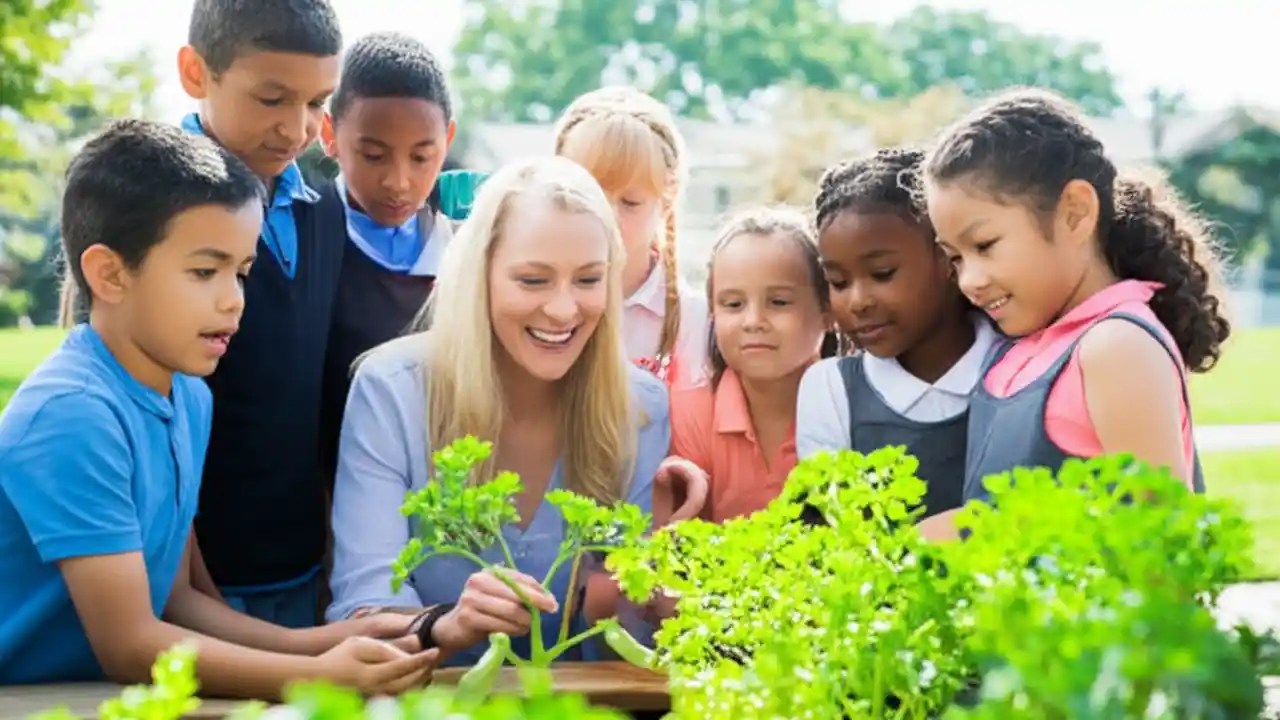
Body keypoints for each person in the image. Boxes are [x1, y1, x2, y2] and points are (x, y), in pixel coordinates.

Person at [0, 120, 435, 695]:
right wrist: (318, 676)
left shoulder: (189, 397)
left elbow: (178, 601)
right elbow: (129, 644)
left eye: (242, 271)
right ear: (109, 273)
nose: (234, 300)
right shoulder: (72, 414)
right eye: (205, 272)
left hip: (105, 694)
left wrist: (322, 643)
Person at [326, 156, 670, 666]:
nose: (562, 309)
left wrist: (648, 596)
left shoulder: (640, 406)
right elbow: (362, 607)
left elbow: (630, 636)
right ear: (478, 276)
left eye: (588, 280)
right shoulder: (391, 391)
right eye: (532, 280)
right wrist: (444, 624)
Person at [921, 88, 1228, 538]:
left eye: (985, 246)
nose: (970, 280)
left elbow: (1165, 549)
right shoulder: (1018, 348)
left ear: (1075, 213)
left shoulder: (1116, 348)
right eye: (956, 258)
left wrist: (972, 530)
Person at [175, 0, 344, 625]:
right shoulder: (152, 207)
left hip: (302, 564)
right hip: (192, 582)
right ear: (197, 73)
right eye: (271, 99)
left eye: (317, 102)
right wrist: (197, 591)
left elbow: (321, 390)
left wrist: (333, 554)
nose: (297, 128)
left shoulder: (323, 209)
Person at [796, 149, 1000, 522]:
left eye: (882, 273)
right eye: (838, 282)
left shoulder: (1019, 366)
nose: (857, 301)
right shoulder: (831, 389)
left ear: (948, 260)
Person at [316, 31, 459, 485]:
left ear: (448, 138)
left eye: (422, 156)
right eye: (374, 155)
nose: (399, 182)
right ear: (329, 134)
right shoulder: (305, 239)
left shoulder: (465, 248)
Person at [668, 207, 834, 523]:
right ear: (712, 313)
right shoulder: (690, 413)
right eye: (733, 304)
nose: (754, 321)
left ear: (828, 310)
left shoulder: (853, 409)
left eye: (779, 302)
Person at [554, 86, 710, 389]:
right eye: (587, 197)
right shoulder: (529, 305)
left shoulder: (701, 323)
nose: (606, 218)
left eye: (630, 203)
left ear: (667, 198)